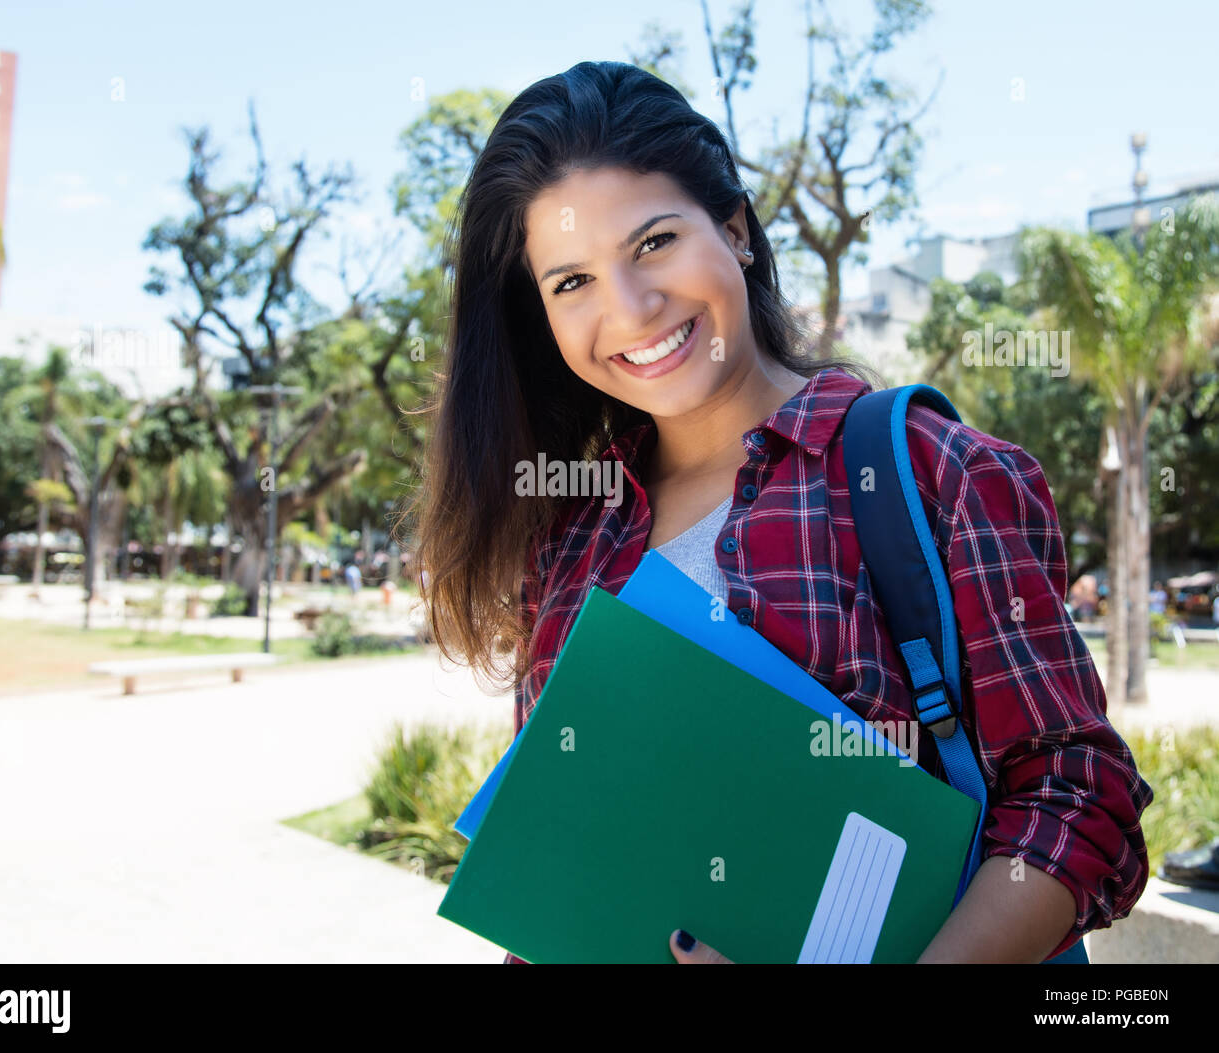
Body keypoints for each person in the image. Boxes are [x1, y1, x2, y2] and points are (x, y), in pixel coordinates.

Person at [403, 60, 1152, 965]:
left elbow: (1075, 793)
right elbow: (565, 860)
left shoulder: (928, 472)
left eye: (652, 244)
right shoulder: (566, 538)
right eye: (572, 283)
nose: (631, 310)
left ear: (735, 229)